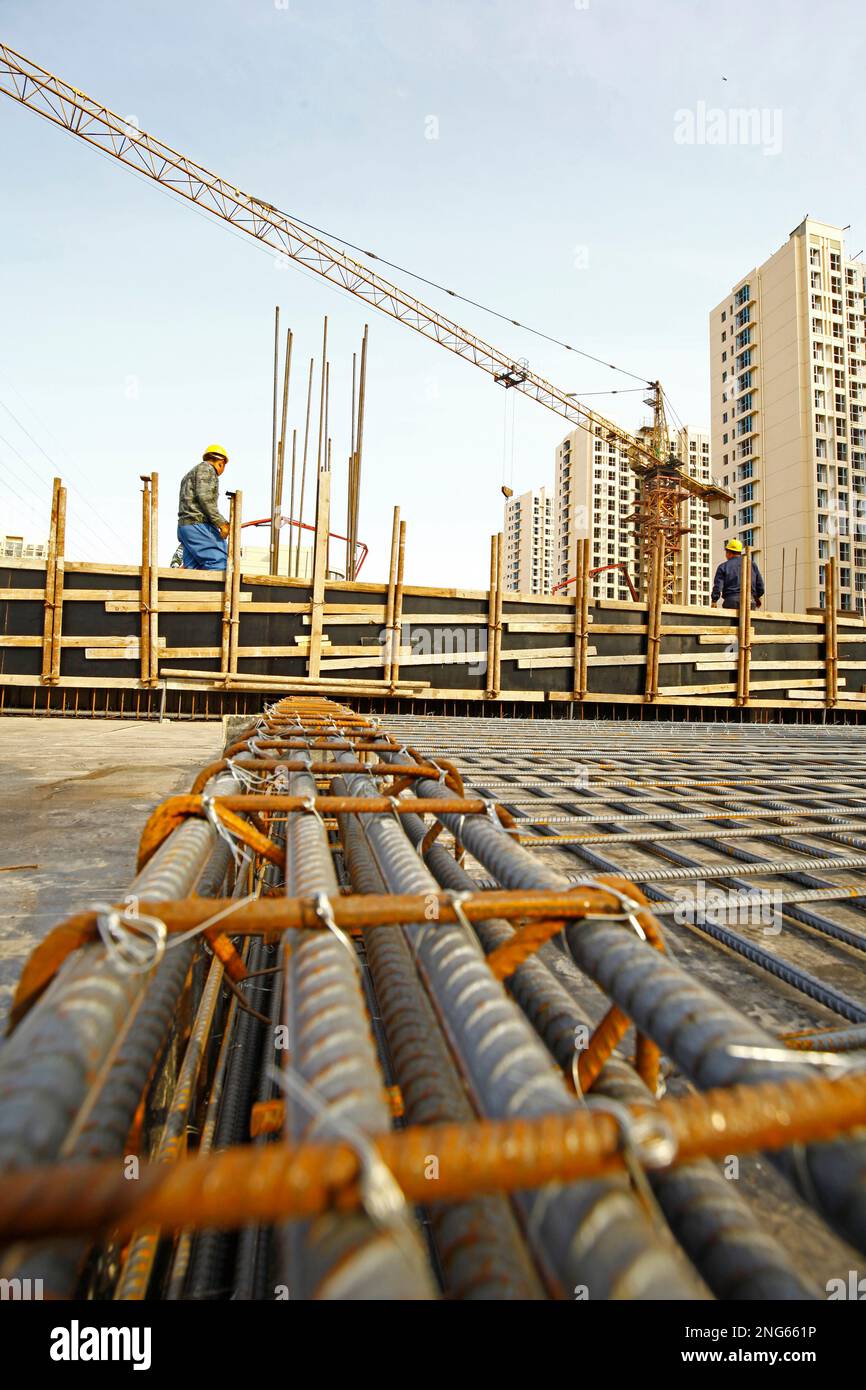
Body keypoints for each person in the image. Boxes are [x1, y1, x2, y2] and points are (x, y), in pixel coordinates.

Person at [177, 445, 230, 570]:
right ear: (221, 463)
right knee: (220, 562)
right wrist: (221, 523)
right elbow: (205, 498)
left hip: (186, 528)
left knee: (193, 569)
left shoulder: (190, 473)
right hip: (198, 525)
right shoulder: (207, 469)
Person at [711, 538, 764, 610]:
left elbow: (718, 586)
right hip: (750, 601)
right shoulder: (751, 565)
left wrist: (714, 600)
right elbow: (760, 587)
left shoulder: (723, 566)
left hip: (731, 601)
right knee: (748, 621)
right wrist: (755, 597)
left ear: (728, 553)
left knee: (732, 621)